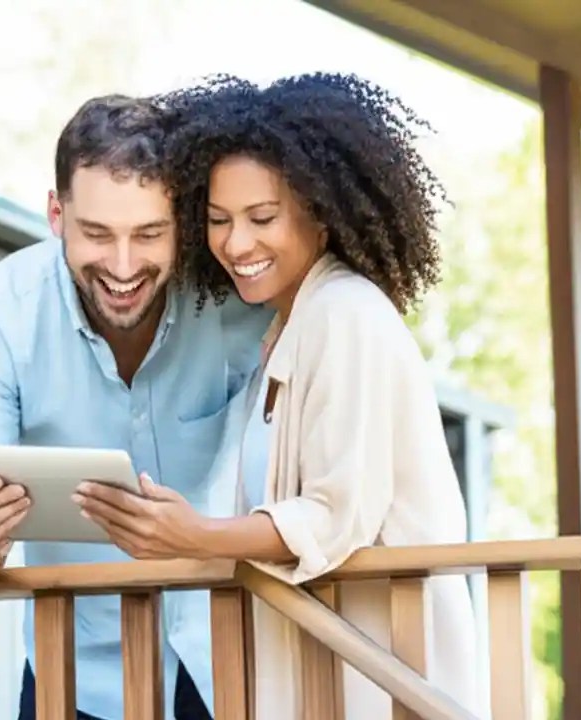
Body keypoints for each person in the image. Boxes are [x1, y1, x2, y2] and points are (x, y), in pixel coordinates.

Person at [74, 73, 483, 718]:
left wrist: (196, 535)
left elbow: (335, 514)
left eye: (262, 218)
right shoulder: (287, 326)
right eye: (217, 220)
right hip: (324, 677)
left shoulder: (346, 312)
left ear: (320, 212)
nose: (237, 243)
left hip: (390, 679)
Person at [0, 93, 272, 720]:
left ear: (183, 224)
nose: (124, 265)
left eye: (150, 234)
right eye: (97, 233)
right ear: (57, 213)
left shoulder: (237, 301)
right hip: (72, 678)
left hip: (233, 667)